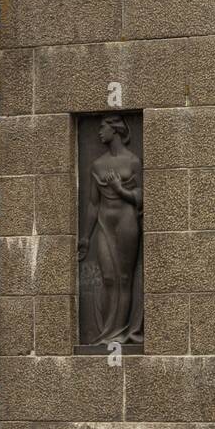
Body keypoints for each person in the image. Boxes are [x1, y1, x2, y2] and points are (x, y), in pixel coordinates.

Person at [78, 114, 144, 345]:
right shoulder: (97, 164)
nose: (99, 132)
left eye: (103, 128)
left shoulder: (133, 161)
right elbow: (93, 204)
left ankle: (121, 333)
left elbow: (141, 197)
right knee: (108, 277)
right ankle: (107, 331)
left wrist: (119, 189)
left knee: (124, 278)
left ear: (115, 130)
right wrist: (85, 236)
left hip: (126, 221)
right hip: (105, 222)